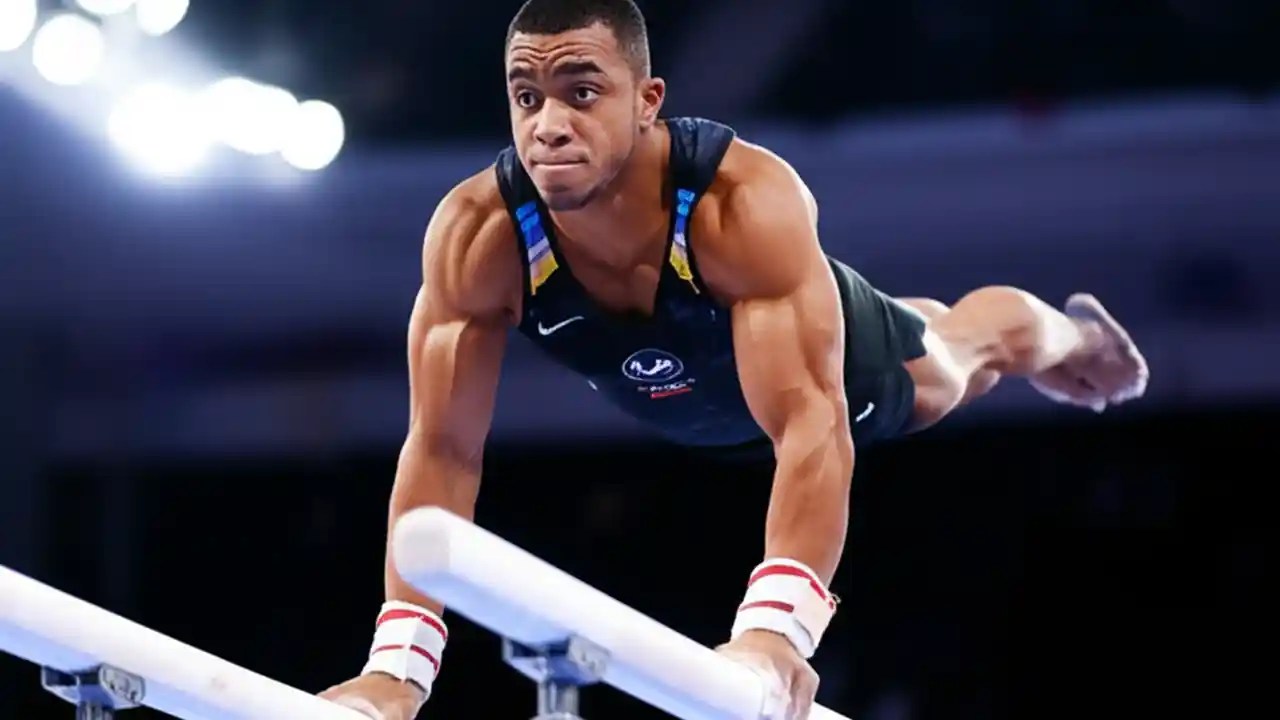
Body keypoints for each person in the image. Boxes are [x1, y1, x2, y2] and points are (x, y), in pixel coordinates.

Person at [320, 0, 1149, 717]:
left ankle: (1069, 335)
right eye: (526, 97)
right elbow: (443, 450)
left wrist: (776, 631)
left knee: (956, 359)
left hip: (834, 381)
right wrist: (396, 674)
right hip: (699, 412)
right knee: (925, 336)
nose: (549, 125)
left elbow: (810, 424)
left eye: (582, 93)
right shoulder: (479, 238)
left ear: (648, 102)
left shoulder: (737, 204)